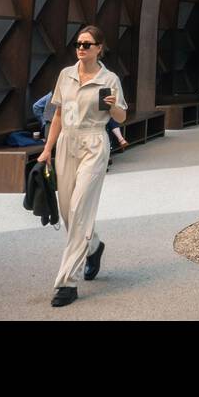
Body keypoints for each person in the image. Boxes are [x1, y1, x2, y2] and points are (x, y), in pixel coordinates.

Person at [37, 24, 127, 307]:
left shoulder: (108, 79)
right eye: (78, 43)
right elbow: (57, 114)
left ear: (100, 48)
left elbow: (121, 117)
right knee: (67, 211)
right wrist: (47, 150)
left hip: (94, 144)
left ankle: (66, 282)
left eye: (87, 44)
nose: (81, 48)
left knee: (78, 209)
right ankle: (94, 246)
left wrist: (113, 106)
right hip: (66, 143)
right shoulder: (65, 75)